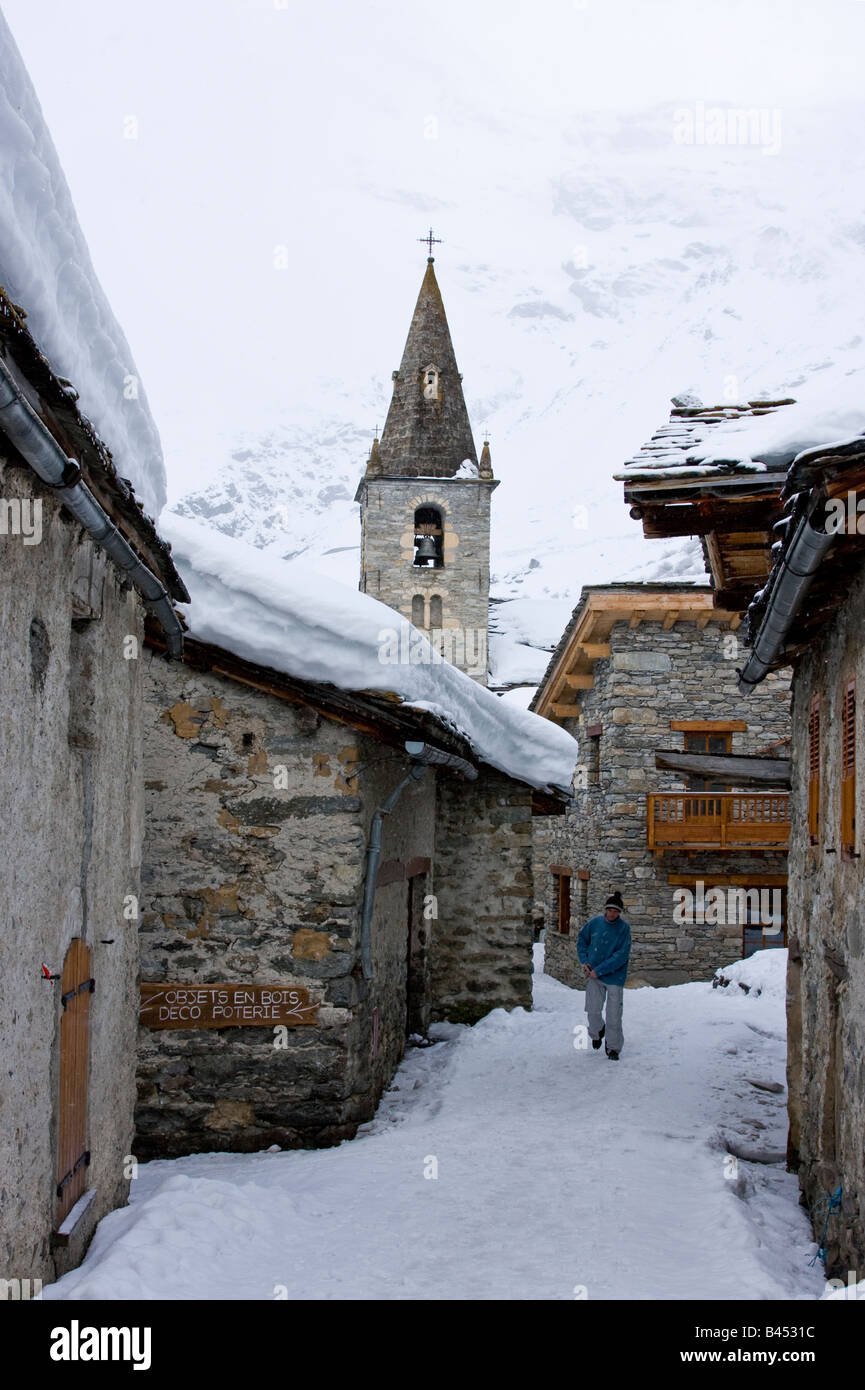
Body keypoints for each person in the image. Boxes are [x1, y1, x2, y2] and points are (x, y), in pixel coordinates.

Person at [576, 891, 631, 1060]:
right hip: (594, 975)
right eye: (610, 910)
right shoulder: (594, 923)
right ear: (605, 910)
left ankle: (613, 1047)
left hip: (614, 977)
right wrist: (585, 961)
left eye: (616, 911)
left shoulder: (623, 929)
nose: (612, 914)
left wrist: (599, 970)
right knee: (592, 1010)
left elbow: (621, 956)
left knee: (614, 1015)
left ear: (619, 913)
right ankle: (598, 1031)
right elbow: (582, 941)